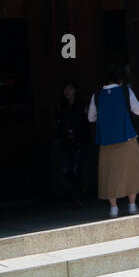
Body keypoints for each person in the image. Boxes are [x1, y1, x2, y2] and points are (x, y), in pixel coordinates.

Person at [88, 67, 139, 218]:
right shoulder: (125, 91)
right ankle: (132, 205)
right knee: (131, 171)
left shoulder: (96, 95)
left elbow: (91, 118)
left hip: (106, 140)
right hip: (127, 136)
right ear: (120, 79)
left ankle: (113, 208)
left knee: (109, 174)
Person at [56, 79, 89, 207]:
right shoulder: (61, 105)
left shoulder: (81, 104)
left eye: (70, 88)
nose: (67, 91)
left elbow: (85, 122)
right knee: (66, 169)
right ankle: (74, 193)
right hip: (66, 142)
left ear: (75, 90)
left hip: (80, 141)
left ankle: (78, 194)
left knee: (76, 168)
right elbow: (59, 122)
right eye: (65, 89)